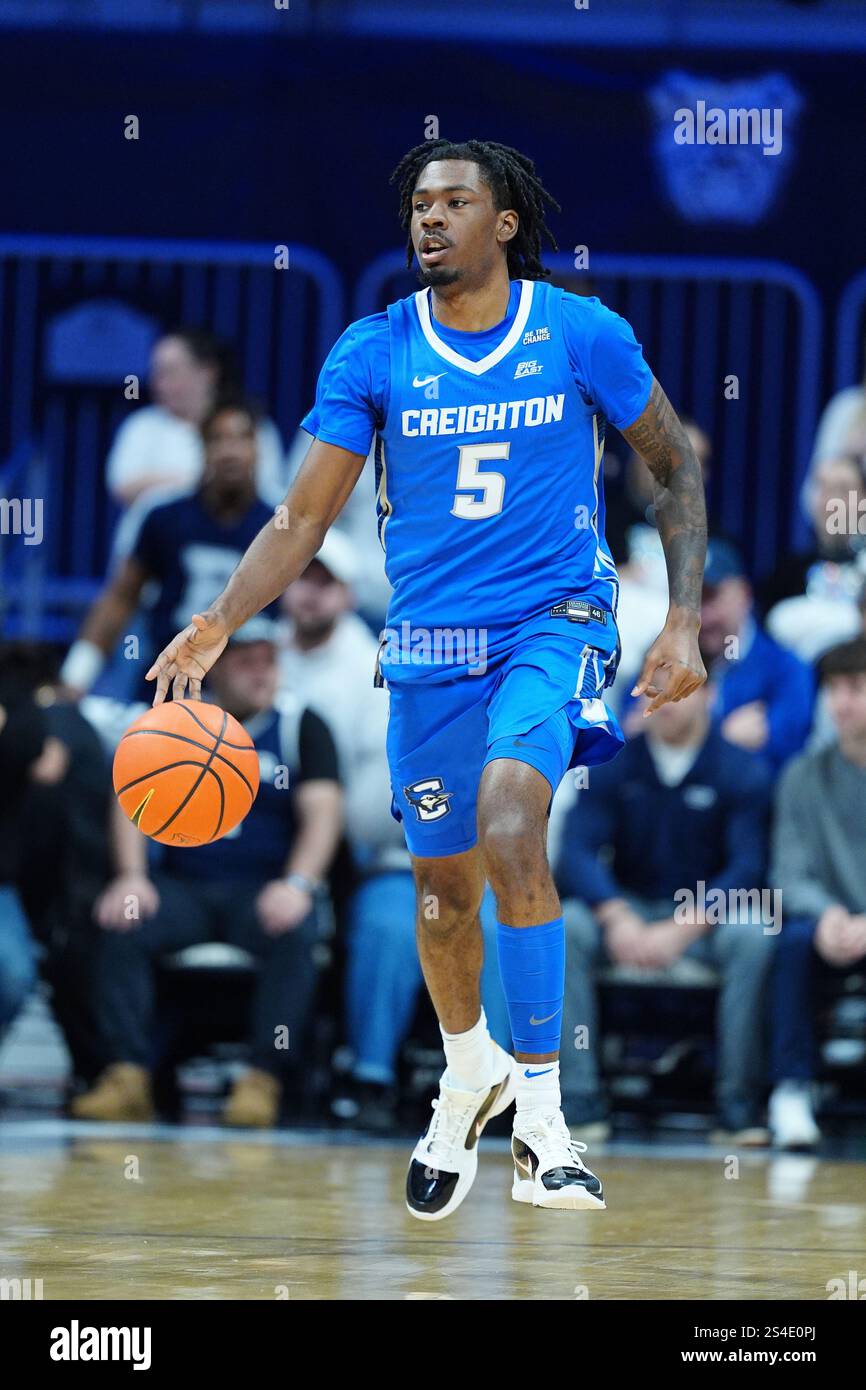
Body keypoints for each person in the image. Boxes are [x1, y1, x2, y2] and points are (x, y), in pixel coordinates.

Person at [145, 137, 708, 1220]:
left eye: (454, 202)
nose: (430, 219)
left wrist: (680, 619)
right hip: (428, 646)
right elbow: (301, 518)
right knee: (444, 897)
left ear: (505, 222)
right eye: (418, 206)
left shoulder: (579, 332)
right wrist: (215, 624)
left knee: (512, 820)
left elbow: (672, 465)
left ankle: (543, 1122)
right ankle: (466, 1072)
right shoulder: (373, 350)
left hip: (553, 619)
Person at [278, 531, 511, 1128]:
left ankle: (498, 1086)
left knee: (495, 928)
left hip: (478, 861)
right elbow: (365, 800)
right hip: (386, 857)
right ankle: (371, 1077)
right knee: (387, 928)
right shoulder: (377, 664)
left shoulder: (507, 668)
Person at [71, 619, 342, 1127]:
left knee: (297, 931)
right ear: (215, 669)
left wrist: (297, 884)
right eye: (246, 662)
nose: (261, 673)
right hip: (186, 885)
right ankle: (127, 1075)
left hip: (261, 888)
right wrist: (131, 876)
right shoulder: (175, 722)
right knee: (121, 919)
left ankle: (263, 1079)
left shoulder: (299, 725)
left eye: (269, 661)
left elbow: (324, 813)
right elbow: (129, 799)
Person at [556, 682, 774, 1143]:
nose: (666, 701)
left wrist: (685, 927)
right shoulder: (611, 761)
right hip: (629, 907)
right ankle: (577, 1102)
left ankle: (738, 1106)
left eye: (680, 689)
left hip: (706, 918)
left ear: (709, 696)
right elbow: (576, 850)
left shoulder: (742, 770)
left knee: (755, 933)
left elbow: (748, 867)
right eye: (655, 690)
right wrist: (615, 914)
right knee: (567, 926)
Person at [60, 401, 281, 701]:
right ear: (201, 447)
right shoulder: (163, 516)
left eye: (241, 438)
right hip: (168, 680)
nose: (230, 451)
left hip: (252, 692)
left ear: (259, 448)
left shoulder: (281, 525)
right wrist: (76, 677)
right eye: (218, 439)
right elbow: (121, 598)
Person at [768, 637, 866, 1149]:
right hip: (830, 926)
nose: (841, 702)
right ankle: (791, 1089)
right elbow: (787, 872)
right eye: (833, 688)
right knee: (789, 942)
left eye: (855, 687)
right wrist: (827, 914)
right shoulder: (802, 775)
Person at [106, 329, 286, 509]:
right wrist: (198, 482)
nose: (157, 382)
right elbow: (122, 486)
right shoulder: (142, 425)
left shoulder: (251, 425)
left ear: (208, 372)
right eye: (156, 372)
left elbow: (269, 493)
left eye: (169, 371)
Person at [699, 537, 813, 774]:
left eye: (711, 597)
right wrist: (723, 737)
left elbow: (784, 752)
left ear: (743, 595)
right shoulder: (668, 661)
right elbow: (633, 734)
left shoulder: (785, 669)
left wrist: (683, 737)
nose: (702, 615)